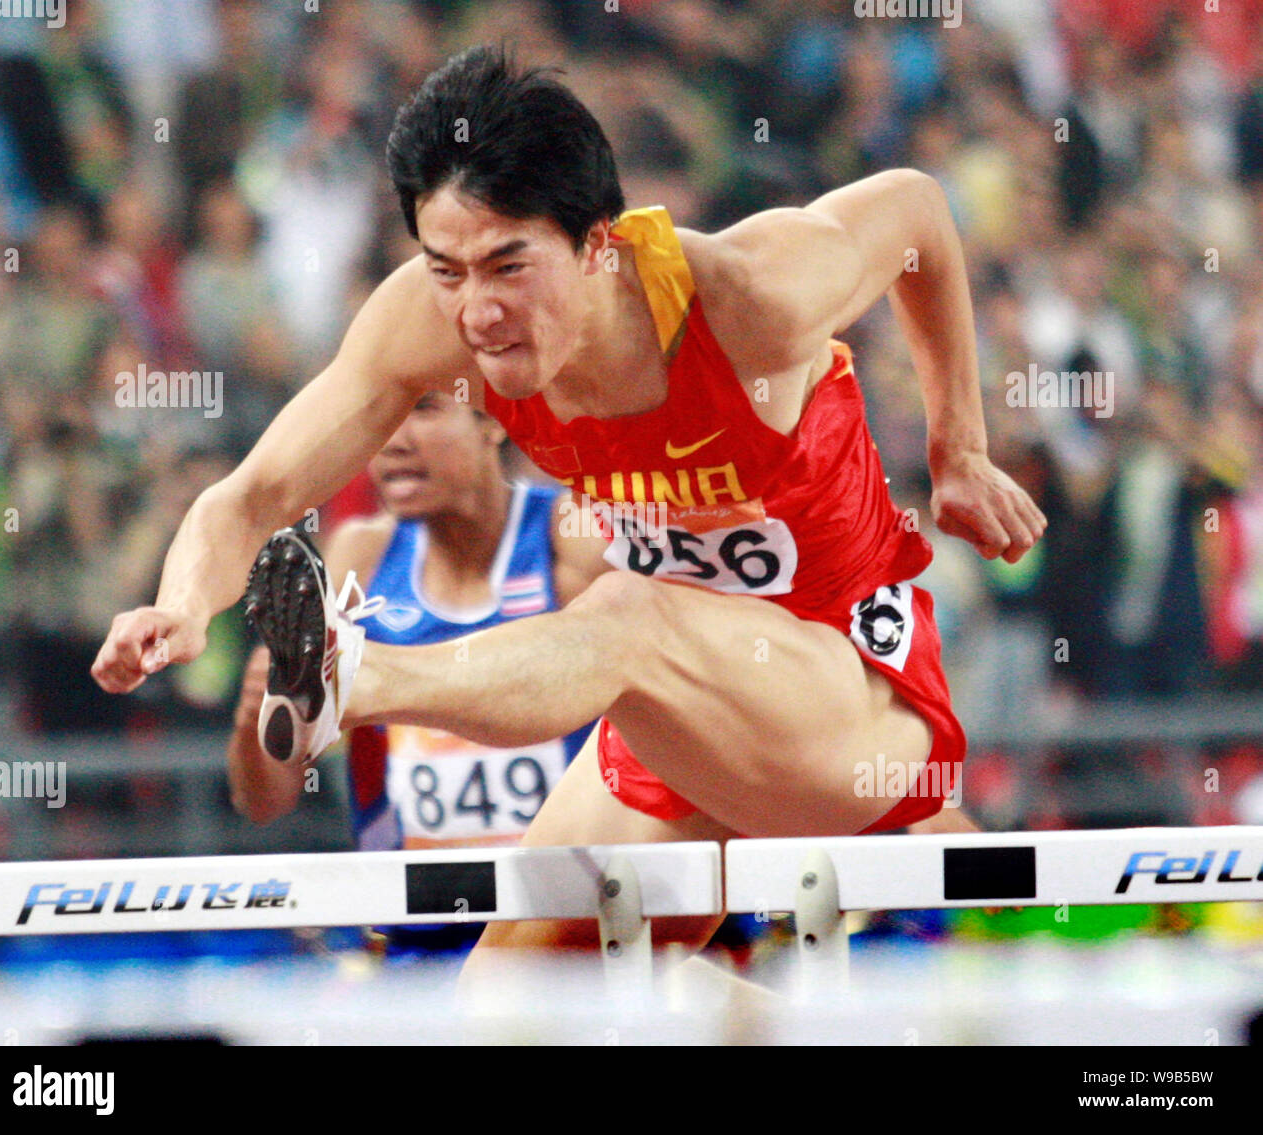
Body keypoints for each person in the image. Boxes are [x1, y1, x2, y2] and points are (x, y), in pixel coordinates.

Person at [93, 47, 1046, 955]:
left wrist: (959, 448)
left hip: (853, 699)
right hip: (682, 720)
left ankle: (353, 681)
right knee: (505, 1019)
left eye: (510, 266)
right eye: (446, 268)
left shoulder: (754, 296)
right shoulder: (432, 324)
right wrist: (180, 602)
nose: (477, 311)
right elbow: (254, 491)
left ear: (597, 244)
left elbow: (920, 210)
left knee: (631, 612)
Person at [225, 391, 604, 954]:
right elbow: (265, 801)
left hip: (568, 936)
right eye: (381, 416)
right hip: (420, 942)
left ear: (493, 421)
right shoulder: (361, 555)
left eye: (424, 409)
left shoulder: (569, 534)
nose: (393, 441)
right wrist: (255, 718)